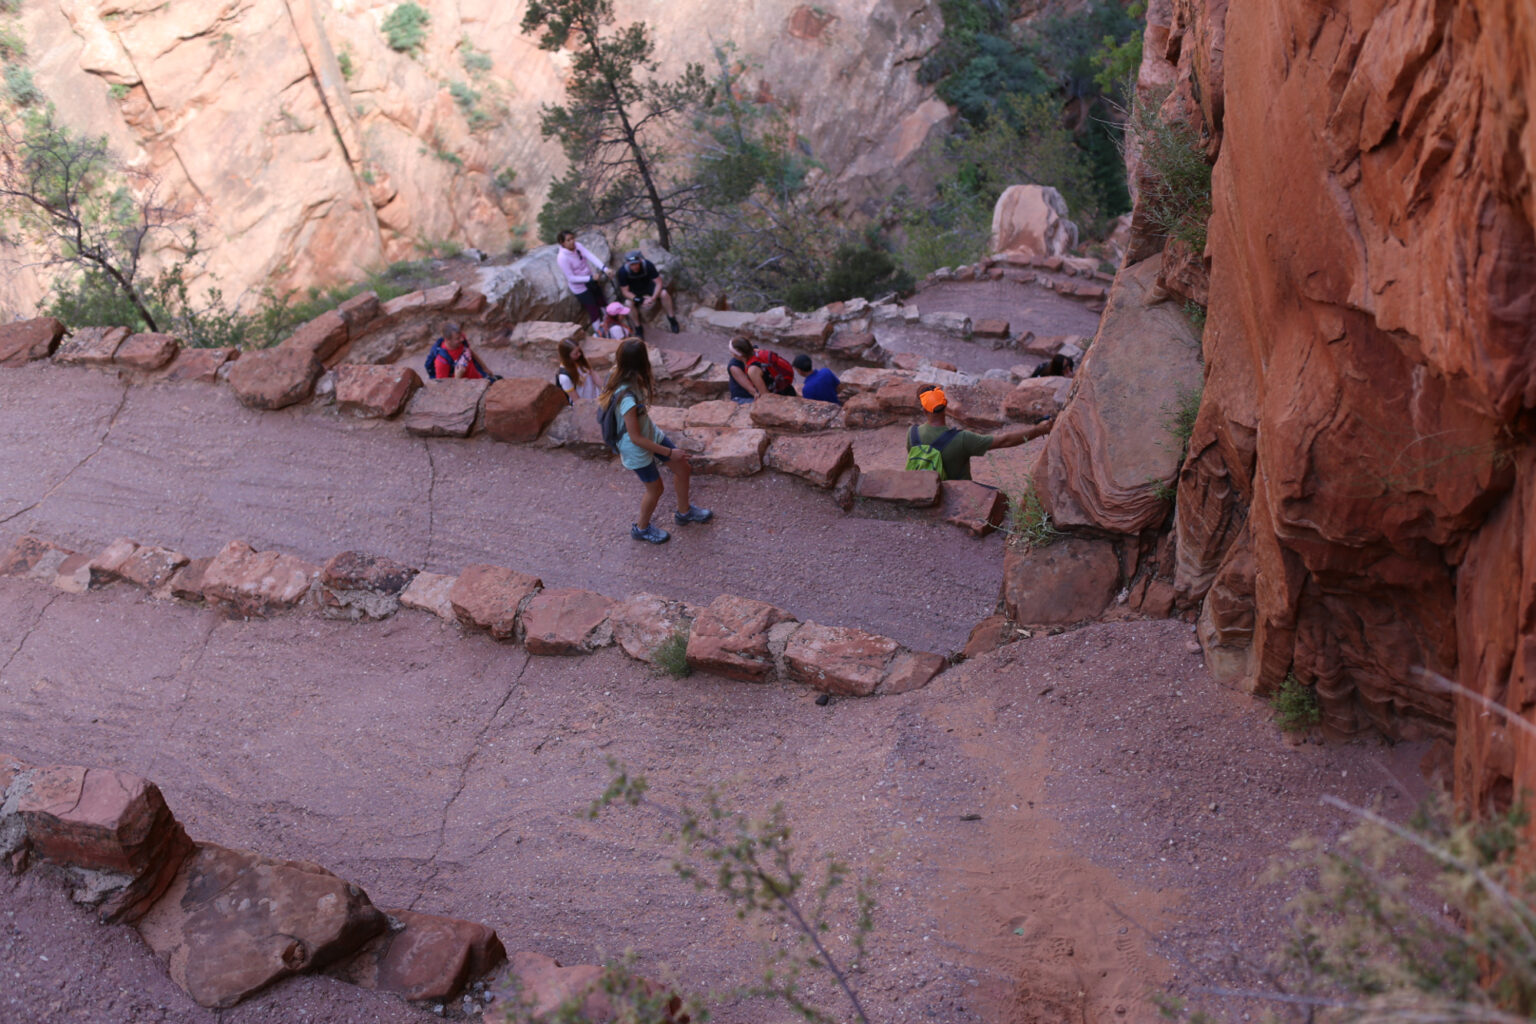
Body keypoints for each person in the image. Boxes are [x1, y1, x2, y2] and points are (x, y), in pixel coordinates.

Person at [598, 339, 713, 544]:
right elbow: (635, 438)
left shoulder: (623, 373)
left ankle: (684, 513)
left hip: (650, 434)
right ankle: (641, 529)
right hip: (636, 447)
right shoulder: (627, 399)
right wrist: (669, 453)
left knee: (683, 468)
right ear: (642, 361)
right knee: (656, 489)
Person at [906, 386, 1053, 481]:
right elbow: (1005, 441)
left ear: (924, 410)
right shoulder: (962, 439)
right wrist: (1039, 429)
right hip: (957, 496)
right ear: (945, 406)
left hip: (925, 490)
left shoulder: (912, 434)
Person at [615, 249, 679, 334]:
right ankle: (638, 327)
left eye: (636, 263)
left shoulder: (648, 265)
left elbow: (658, 283)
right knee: (628, 303)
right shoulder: (622, 272)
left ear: (640, 261)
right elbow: (625, 292)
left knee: (664, 294)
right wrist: (640, 300)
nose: (635, 266)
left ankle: (672, 319)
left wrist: (653, 298)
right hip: (634, 291)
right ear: (627, 263)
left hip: (649, 287)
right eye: (632, 264)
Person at [555, 229, 609, 330]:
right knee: (593, 310)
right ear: (562, 243)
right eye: (568, 240)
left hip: (590, 279)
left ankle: (609, 322)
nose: (572, 241)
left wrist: (604, 268)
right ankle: (599, 332)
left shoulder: (578, 246)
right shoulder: (562, 258)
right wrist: (590, 278)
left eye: (572, 238)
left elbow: (590, 256)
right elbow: (571, 278)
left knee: (602, 301)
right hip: (580, 287)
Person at [726, 336, 795, 402]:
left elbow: (765, 395)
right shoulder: (758, 352)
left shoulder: (752, 370)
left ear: (737, 355)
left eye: (732, 353)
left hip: (775, 393)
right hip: (784, 386)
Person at [428, 322, 495, 380]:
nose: (462, 339)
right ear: (448, 340)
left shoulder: (461, 341)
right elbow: (444, 388)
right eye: (457, 338)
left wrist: (485, 368)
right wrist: (458, 376)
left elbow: (470, 352)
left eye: (461, 336)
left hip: (479, 377)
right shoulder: (441, 362)